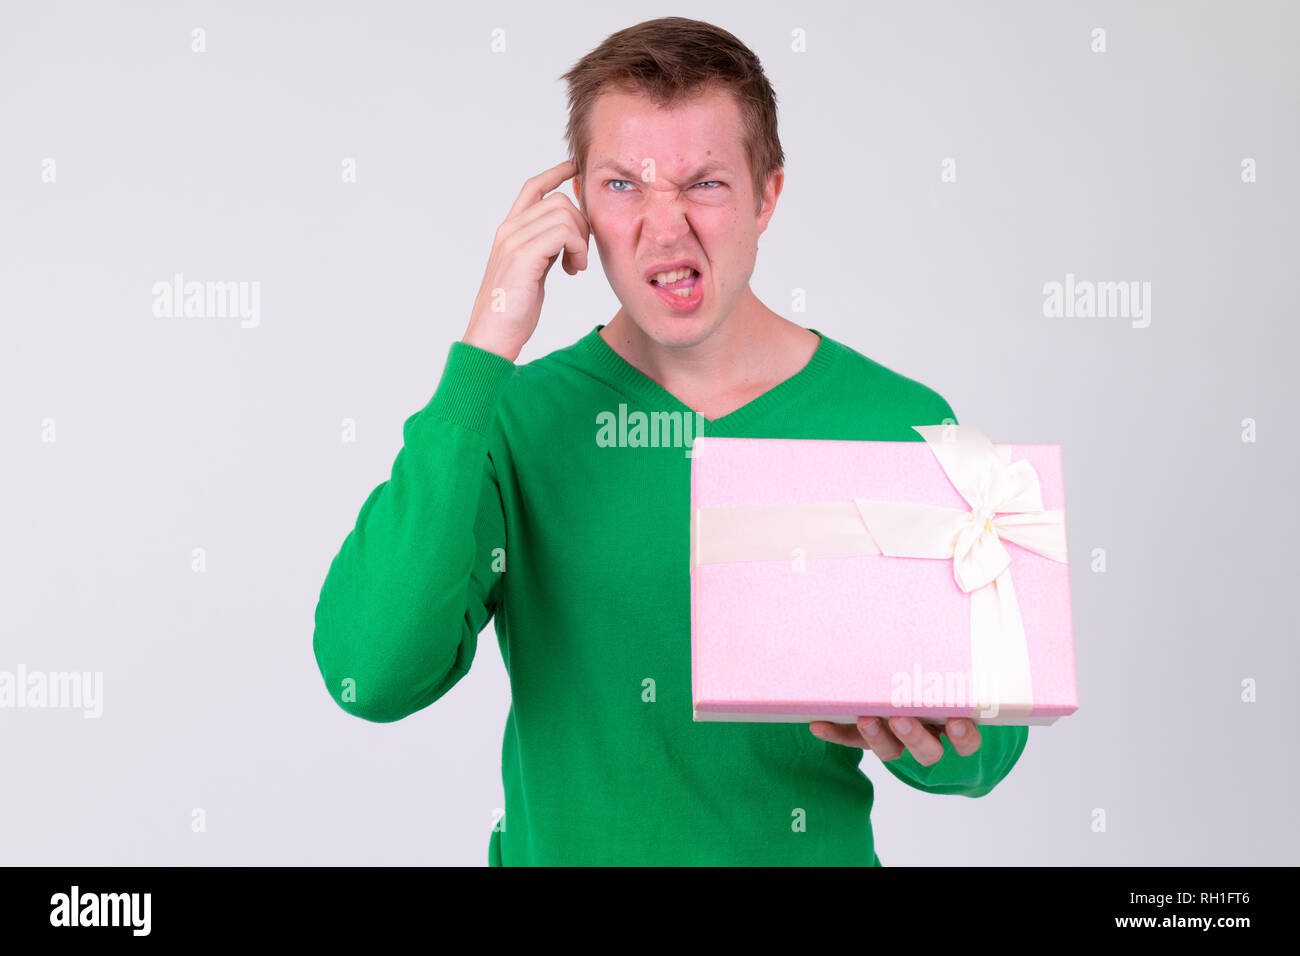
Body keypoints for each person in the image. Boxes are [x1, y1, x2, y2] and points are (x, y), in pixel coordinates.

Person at [313, 15, 1027, 866]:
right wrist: (484, 351)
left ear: (767, 196)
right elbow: (373, 672)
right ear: (575, 204)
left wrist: (942, 739)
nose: (665, 228)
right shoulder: (514, 419)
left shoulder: (897, 425)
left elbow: (993, 747)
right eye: (623, 186)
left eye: (705, 185)